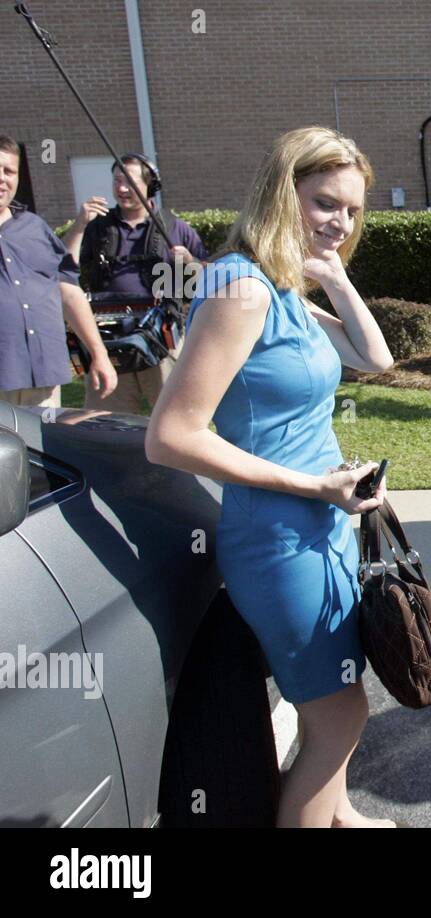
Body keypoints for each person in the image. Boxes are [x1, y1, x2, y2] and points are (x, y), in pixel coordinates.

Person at [145, 126, 395, 827]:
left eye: (351, 210)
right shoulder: (242, 287)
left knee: (333, 701)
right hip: (279, 539)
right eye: (324, 203)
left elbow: (374, 359)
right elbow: (170, 436)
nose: (340, 223)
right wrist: (315, 487)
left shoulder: (284, 284)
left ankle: (340, 814)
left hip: (321, 524)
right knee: (340, 714)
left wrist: (336, 272)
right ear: (282, 194)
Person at [63, 153, 208, 414]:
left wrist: (189, 260)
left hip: (162, 341)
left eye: (129, 182)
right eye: (117, 181)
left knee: (174, 419)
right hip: (107, 342)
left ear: (150, 186)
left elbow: (210, 277)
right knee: (104, 425)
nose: (121, 189)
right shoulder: (96, 227)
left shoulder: (176, 228)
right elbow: (64, 269)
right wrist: (79, 226)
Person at [0, 133, 117, 409]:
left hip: (42, 375)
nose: (2, 178)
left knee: (41, 450)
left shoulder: (35, 228)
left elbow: (68, 291)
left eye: (9, 171)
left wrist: (99, 353)